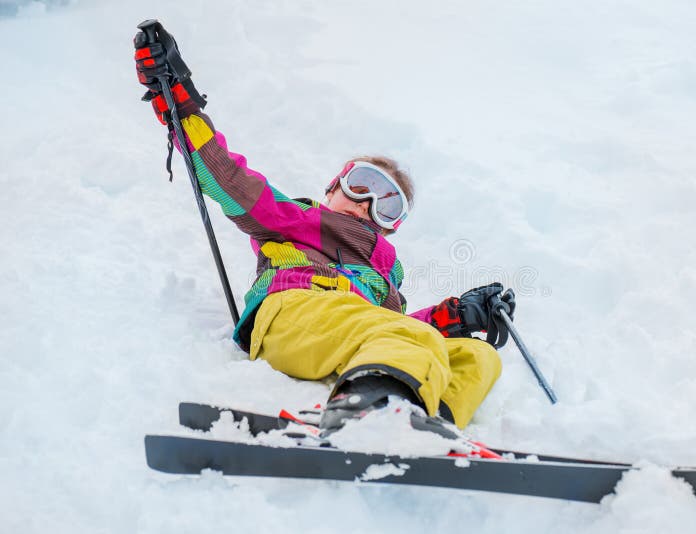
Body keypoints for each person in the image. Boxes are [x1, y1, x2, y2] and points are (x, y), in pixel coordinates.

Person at [133, 27, 516, 435]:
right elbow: (228, 178)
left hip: (347, 328)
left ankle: (420, 427)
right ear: (333, 187)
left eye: (387, 205)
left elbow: (386, 331)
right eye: (361, 186)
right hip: (294, 311)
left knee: (476, 356)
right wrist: (180, 101)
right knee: (400, 334)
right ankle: (369, 413)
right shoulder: (299, 219)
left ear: (392, 226)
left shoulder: (386, 278)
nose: (367, 205)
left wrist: (453, 317)